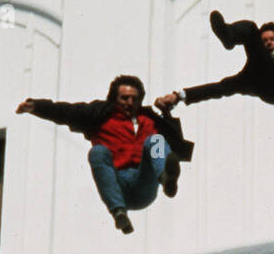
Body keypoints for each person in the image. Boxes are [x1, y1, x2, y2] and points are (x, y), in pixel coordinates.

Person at [16, 74, 194, 234]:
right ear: (114, 99)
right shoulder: (100, 116)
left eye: (134, 99)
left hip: (143, 182)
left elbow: (171, 140)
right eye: (124, 98)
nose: (129, 103)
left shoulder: (149, 120)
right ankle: (119, 213)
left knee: (156, 140)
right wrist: (37, 107)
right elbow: (67, 112)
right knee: (98, 151)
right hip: (117, 184)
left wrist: (165, 111)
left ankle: (166, 179)